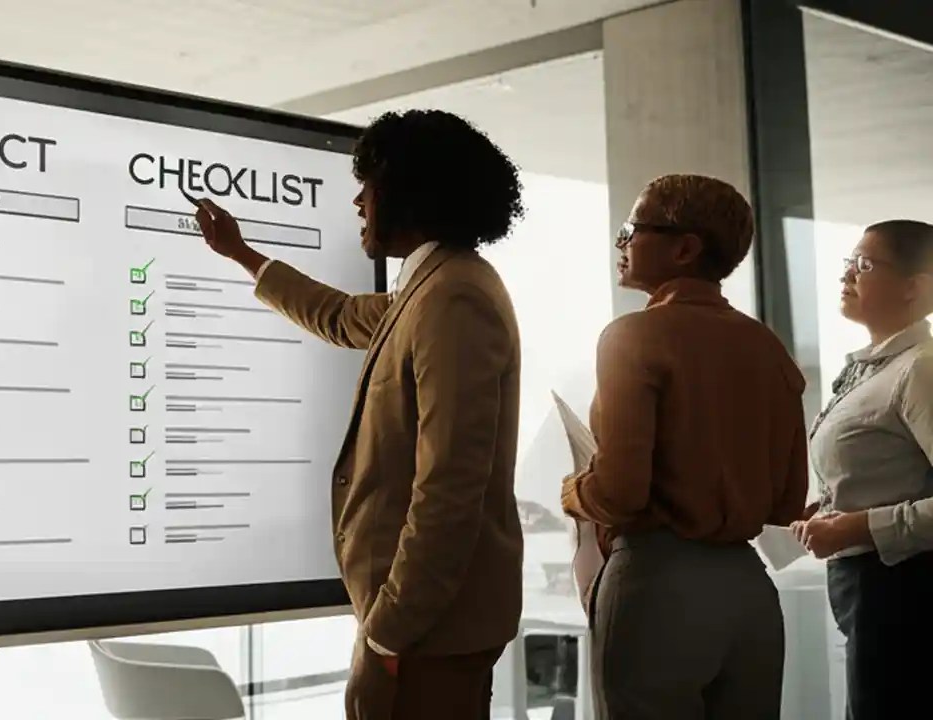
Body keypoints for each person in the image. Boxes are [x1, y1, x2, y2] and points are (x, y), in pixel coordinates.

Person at [193, 109, 525, 720]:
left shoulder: (453, 297)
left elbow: (450, 485)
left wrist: (386, 637)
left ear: (410, 192)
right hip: (416, 625)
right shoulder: (431, 288)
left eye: (368, 185)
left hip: (424, 631)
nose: (358, 202)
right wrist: (242, 255)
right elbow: (342, 315)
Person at [561, 174, 807, 719]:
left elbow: (620, 492)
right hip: (749, 593)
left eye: (632, 230)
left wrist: (572, 492)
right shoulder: (768, 347)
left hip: (656, 586)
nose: (621, 242)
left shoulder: (632, 336)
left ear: (684, 248)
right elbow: (788, 505)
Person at [791, 219, 933, 719]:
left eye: (865, 264)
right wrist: (832, 508)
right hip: (869, 586)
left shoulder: (920, 368)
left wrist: (860, 526)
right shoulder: (877, 367)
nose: (847, 274)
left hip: (902, 587)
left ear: (914, 286)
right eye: (848, 262)